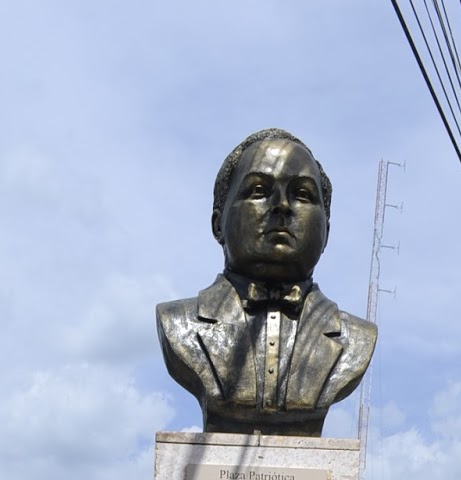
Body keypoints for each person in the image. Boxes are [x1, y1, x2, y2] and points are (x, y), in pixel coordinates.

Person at [156, 129, 377, 436]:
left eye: (302, 195)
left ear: (326, 230)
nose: (282, 207)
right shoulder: (178, 323)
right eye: (259, 190)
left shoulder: (356, 338)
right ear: (217, 223)